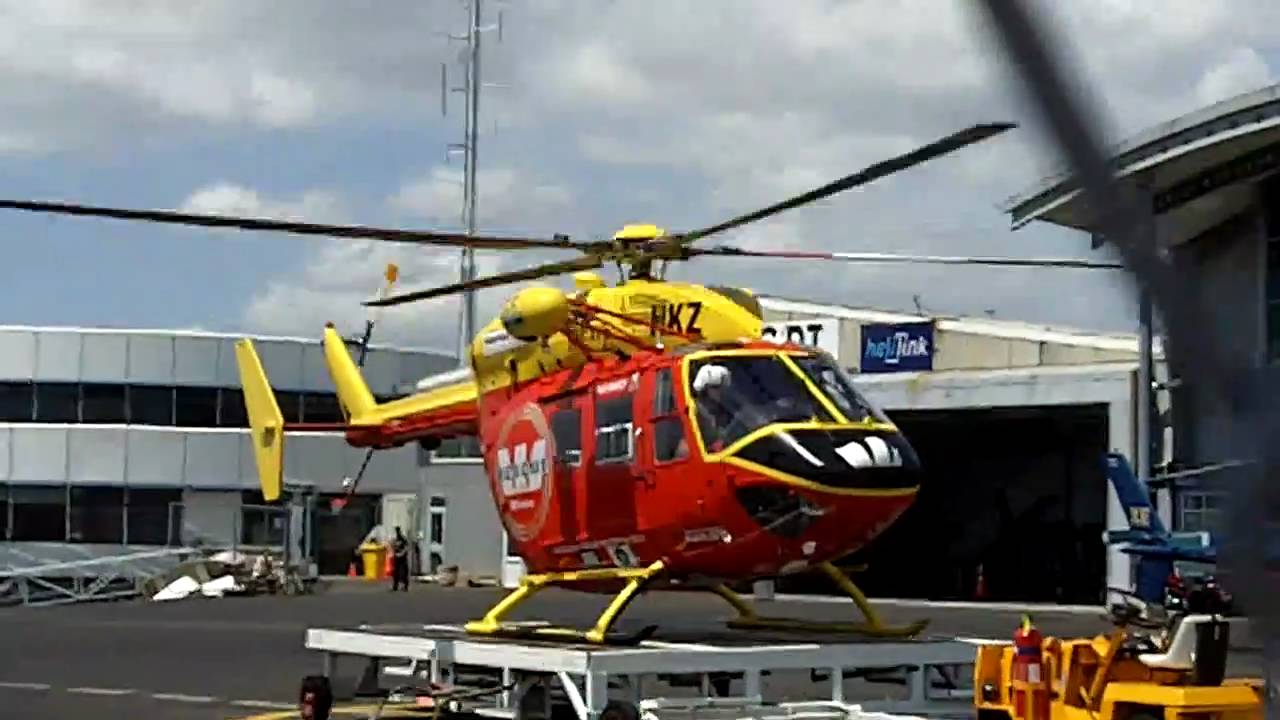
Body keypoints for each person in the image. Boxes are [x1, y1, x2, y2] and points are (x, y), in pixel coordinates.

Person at [391, 526, 410, 592]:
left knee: (404, 571)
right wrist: (394, 553)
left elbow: (406, 547)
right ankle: (395, 586)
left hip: (403, 557)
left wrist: (402, 553)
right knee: (396, 571)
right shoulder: (395, 539)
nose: (397, 533)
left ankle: (406, 586)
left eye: (398, 531)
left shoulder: (403, 538)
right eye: (396, 531)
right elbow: (393, 546)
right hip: (397, 557)